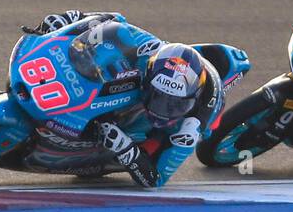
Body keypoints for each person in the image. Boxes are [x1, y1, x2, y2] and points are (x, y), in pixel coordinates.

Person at [24, 10, 227, 187]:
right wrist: (66, 19)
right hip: (160, 77)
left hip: (174, 126)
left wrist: (125, 147)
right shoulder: (145, 47)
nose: (162, 109)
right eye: (158, 98)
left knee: (155, 145)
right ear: (149, 76)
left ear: (192, 98)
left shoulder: (190, 128)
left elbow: (155, 180)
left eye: (174, 105)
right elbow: (111, 21)